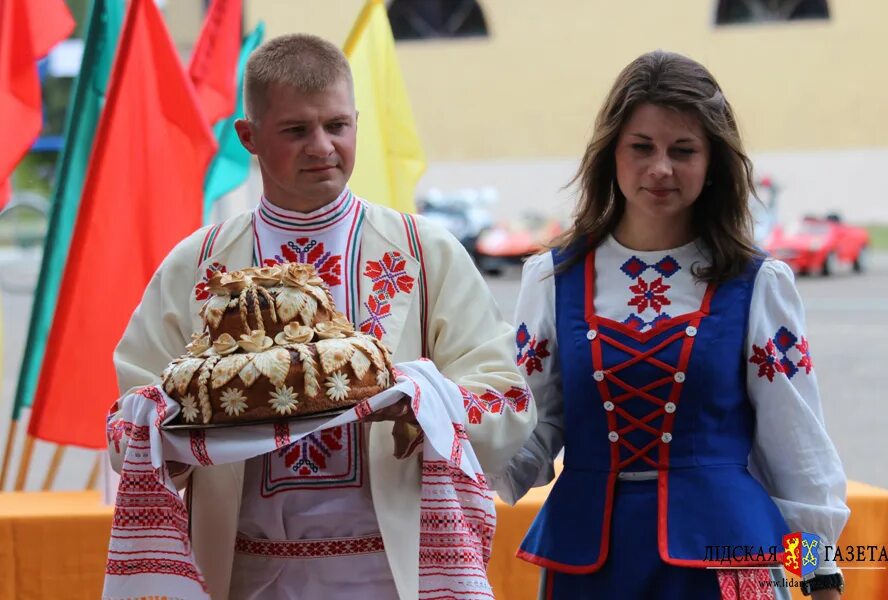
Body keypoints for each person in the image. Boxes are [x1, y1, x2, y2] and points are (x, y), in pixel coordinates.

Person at [108, 33, 535, 600]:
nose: (322, 147)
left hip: (391, 573)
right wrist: (177, 432)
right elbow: (128, 424)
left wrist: (423, 403)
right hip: (240, 573)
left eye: (336, 126)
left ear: (357, 122)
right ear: (248, 137)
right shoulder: (198, 266)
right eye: (295, 130)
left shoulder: (424, 252)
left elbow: (507, 400)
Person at [492, 50, 848, 600]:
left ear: (712, 166)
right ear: (612, 153)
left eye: (683, 150)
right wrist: (448, 437)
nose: (661, 168)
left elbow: (796, 446)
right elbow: (530, 432)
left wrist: (819, 572)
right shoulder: (551, 279)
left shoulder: (758, 282)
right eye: (642, 147)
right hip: (589, 562)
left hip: (733, 561)